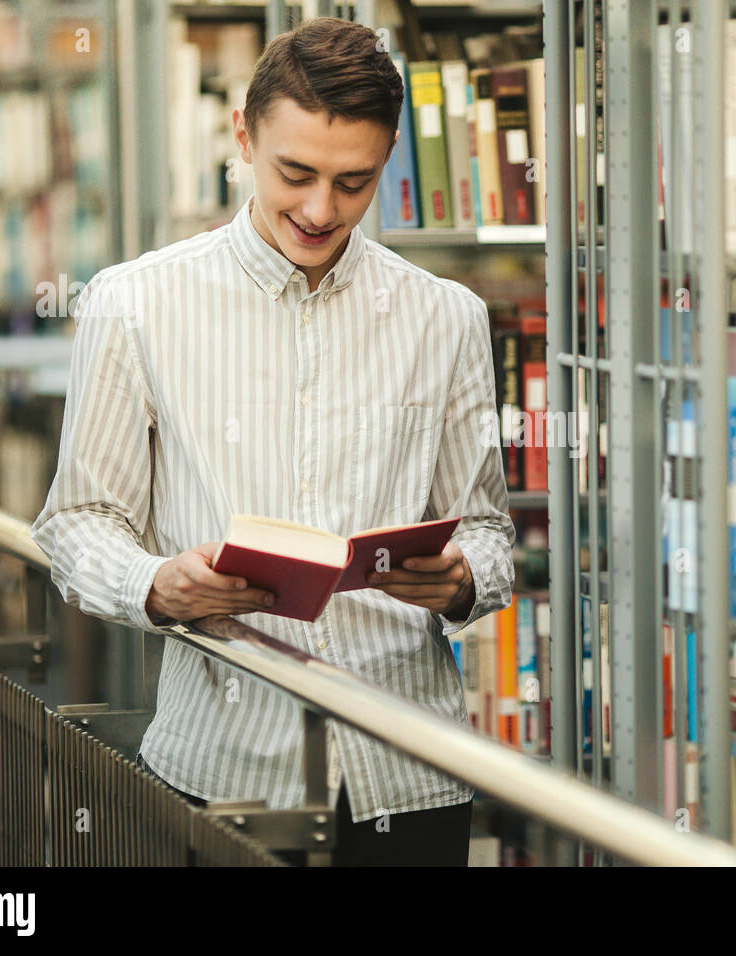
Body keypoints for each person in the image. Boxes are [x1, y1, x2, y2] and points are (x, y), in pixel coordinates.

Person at [30, 16, 515, 867]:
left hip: (409, 780)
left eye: (354, 183)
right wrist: (156, 583)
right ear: (243, 137)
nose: (321, 210)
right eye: (296, 174)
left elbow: (489, 534)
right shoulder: (134, 303)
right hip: (224, 773)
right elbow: (75, 523)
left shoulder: (448, 318)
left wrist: (464, 577)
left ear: (389, 157)